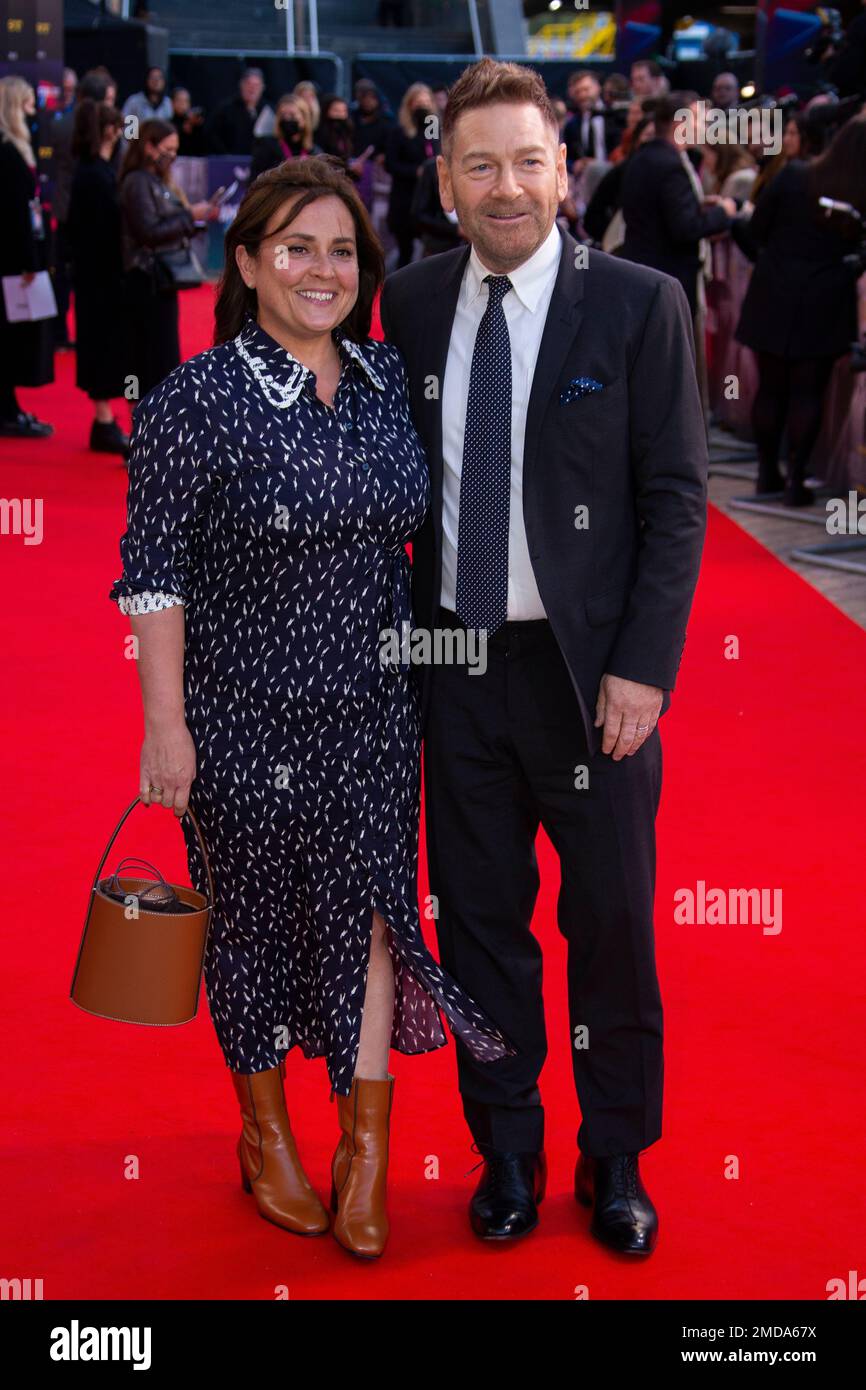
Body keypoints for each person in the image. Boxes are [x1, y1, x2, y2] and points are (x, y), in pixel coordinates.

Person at [108, 156, 513, 1260]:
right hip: (237, 710)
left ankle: (365, 1146)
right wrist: (165, 724)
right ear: (245, 262)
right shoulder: (197, 399)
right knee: (250, 922)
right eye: (295, 247)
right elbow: (153, 571)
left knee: (374, 913)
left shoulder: (385, 380)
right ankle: (265, 1129)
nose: (321, 270)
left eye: (341, 249)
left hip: (374, 707)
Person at [380, 58, 708, 1255]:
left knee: (612, 922)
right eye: (480, 164)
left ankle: (613, 1156)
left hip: (592, 683)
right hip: (457, 671)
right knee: (477, 924)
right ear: (447, 178)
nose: (505, 185)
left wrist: (643, 666)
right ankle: (505, 1151)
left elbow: (674, 501)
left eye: (527, 160)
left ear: (563, 171)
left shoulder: (637, 303)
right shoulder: (411, 303)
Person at [734, 115, 866, 503]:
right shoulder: (859, 190)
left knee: (771, 389)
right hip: (825, 299)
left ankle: (765, 473)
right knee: (809, 392)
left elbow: (756, 228)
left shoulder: (792, 176)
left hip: (774, 291)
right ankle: (795, 482)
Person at [119, 119, 217, 403]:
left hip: (159, 281)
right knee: (149, 360)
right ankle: (142, 427)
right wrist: (189, 217)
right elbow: (147, 232)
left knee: (162, 359)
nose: (173, 155)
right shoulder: (137, 181)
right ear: (149, 146)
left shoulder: (155, 180)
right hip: (145, 280)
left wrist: (191, 220)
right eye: (168, 149)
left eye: (176, 149)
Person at [620, 92, 736, 317]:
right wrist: (724, 212)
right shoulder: (670, 165)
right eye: (700, 120)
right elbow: (686, 228)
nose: (704, 127)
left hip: (641, 273)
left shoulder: (642, 157)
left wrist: (697, 206)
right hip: (667, 280)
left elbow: (658, 212)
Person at [67, 99, 130, 456]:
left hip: (98, 276)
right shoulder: (94, 175)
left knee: (105, 346)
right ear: (108, 131)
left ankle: (104, 421)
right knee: (102, 347)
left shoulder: (95, 171)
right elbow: (101, 230)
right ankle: (103, 420)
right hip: (100, 278)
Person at [0, 76, 54, 437]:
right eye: (27, 104)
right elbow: (13, 214)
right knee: (8, 337)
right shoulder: (7, 152)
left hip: (17, 258)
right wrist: (28, 261)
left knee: (13, 336)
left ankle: (8, 406)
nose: (34, 110)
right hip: (11, 263)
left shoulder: (17, 148)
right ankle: (6, 410)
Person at [385, 83, 438, 267]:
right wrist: (415, 171)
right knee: (405, 251)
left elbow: (437, 154)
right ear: (409, 105)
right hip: (404, 198)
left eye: (426, 102)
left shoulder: (433, 129)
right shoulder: (399, 132)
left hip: (428, 201)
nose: (422, 106)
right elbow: (390, 164)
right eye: (418, 102)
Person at [250, 93, 319, 179]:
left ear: (304, 119)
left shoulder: (314, 152)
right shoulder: (267, 146)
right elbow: (255, 179)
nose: (287, 119)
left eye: (292, 115)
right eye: (283, 115)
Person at [208, 68, 272, 156]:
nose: (252, 89)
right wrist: (226, 156)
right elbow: (213, 136)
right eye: (249, 84)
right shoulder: (225, 110)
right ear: (241, 85)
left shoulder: (269, 109)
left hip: (261, 162)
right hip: (230, 162)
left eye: (256, 85)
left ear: (262, 87)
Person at [170, 87, 207, 157]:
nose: (183, 104)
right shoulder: (168, 125)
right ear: (172, 103)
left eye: (186, 101)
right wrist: (182, 130)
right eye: (179, 100)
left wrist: (198, 127)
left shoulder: (196, 124)